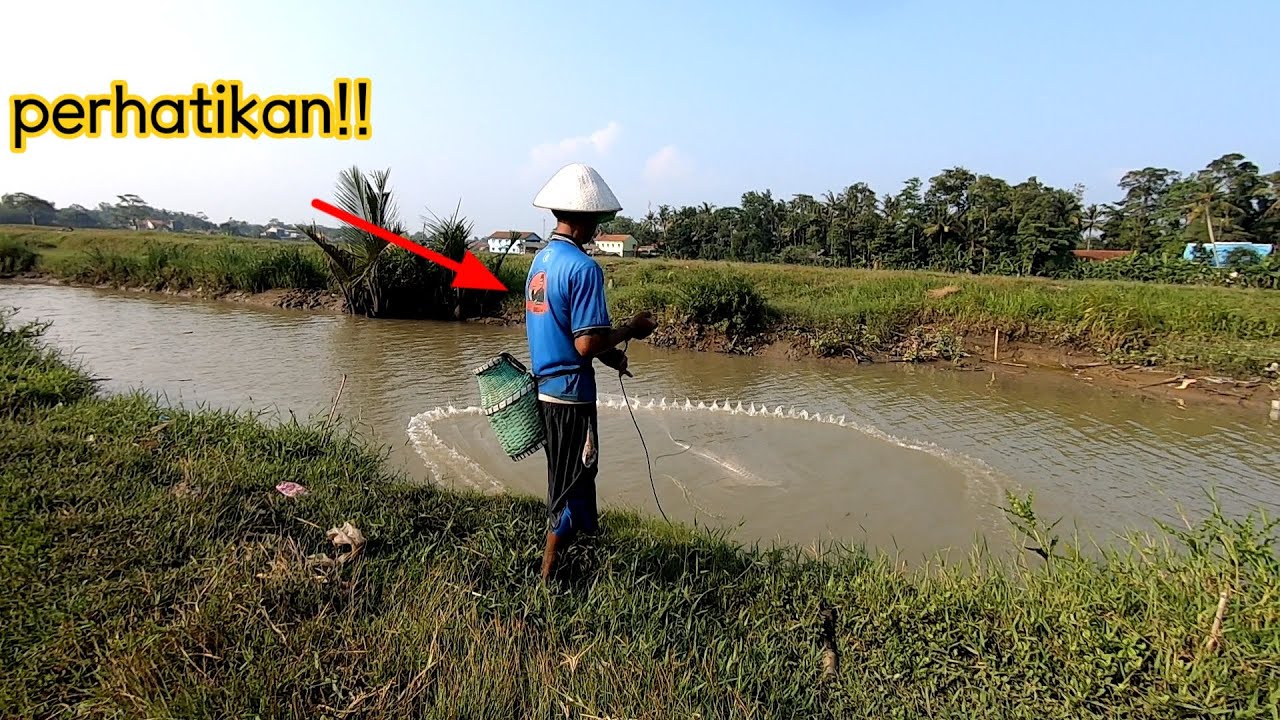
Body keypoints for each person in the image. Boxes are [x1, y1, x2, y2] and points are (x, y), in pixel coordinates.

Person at [525, 163, 657, 580]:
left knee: (574, 475)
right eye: (598, 220)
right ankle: (547, 576)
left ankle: (586, 558)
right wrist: (630, 330)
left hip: (545, 390)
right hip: (571, 396)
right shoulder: (584, 268)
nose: (599, 228)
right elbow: (585, 343)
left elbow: (564, 332)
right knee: (571, 482)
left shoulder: (541, 261)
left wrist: (610, 355)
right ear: (586, 219)